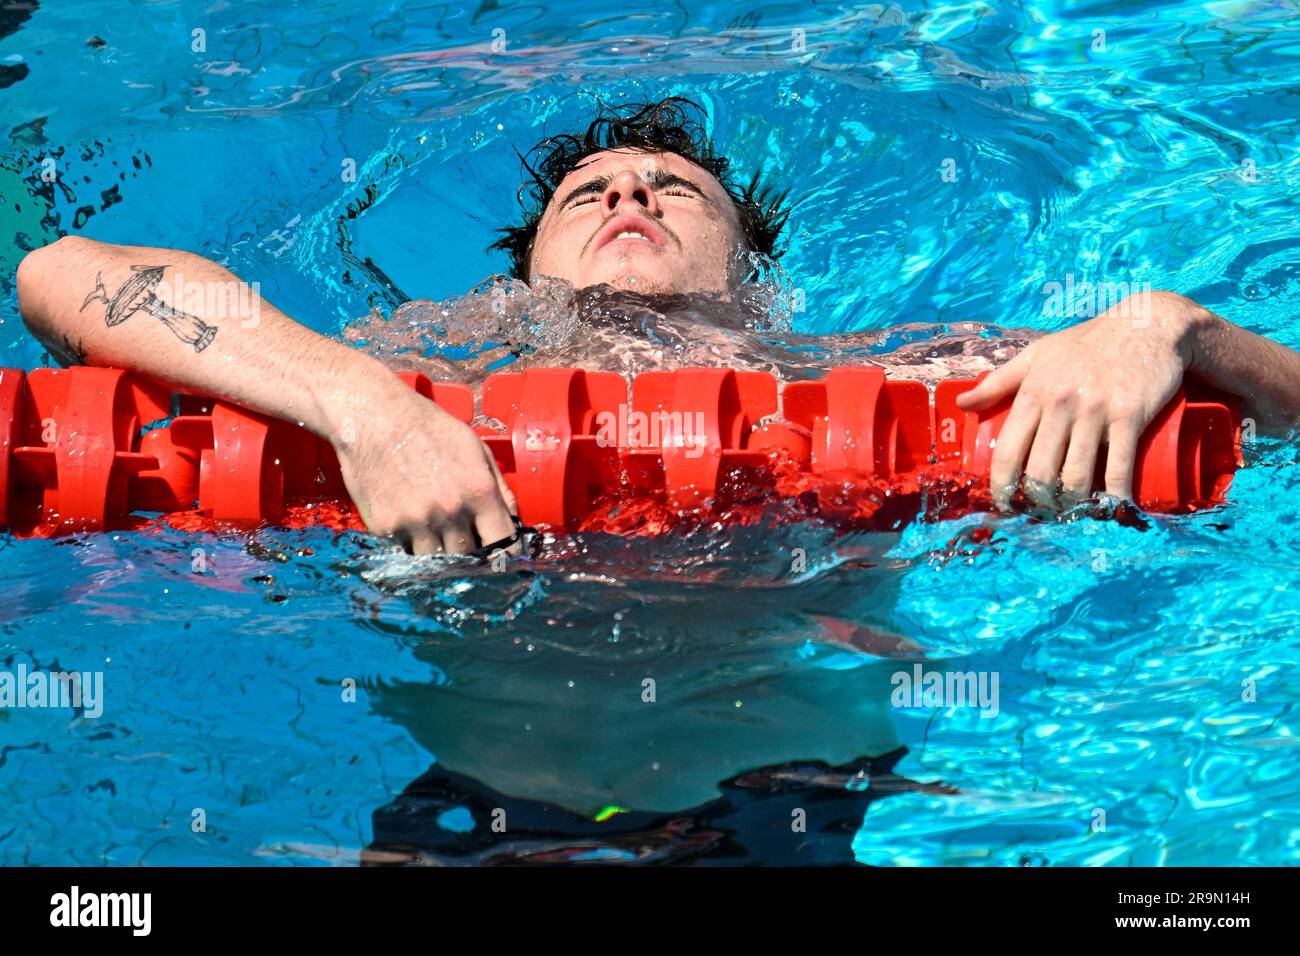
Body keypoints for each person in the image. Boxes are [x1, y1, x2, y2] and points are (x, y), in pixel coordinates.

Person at [16, 97, 1300, 554]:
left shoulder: (863, 378)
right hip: (479, 793)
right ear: (520, 272)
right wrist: (366, 407)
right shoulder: (423, 358)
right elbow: (63, 275)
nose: (631, 191)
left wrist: (1168, 328)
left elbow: (1286, 413)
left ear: (754, 276)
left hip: (782, 777)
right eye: (592, 192)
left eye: (673, 189)